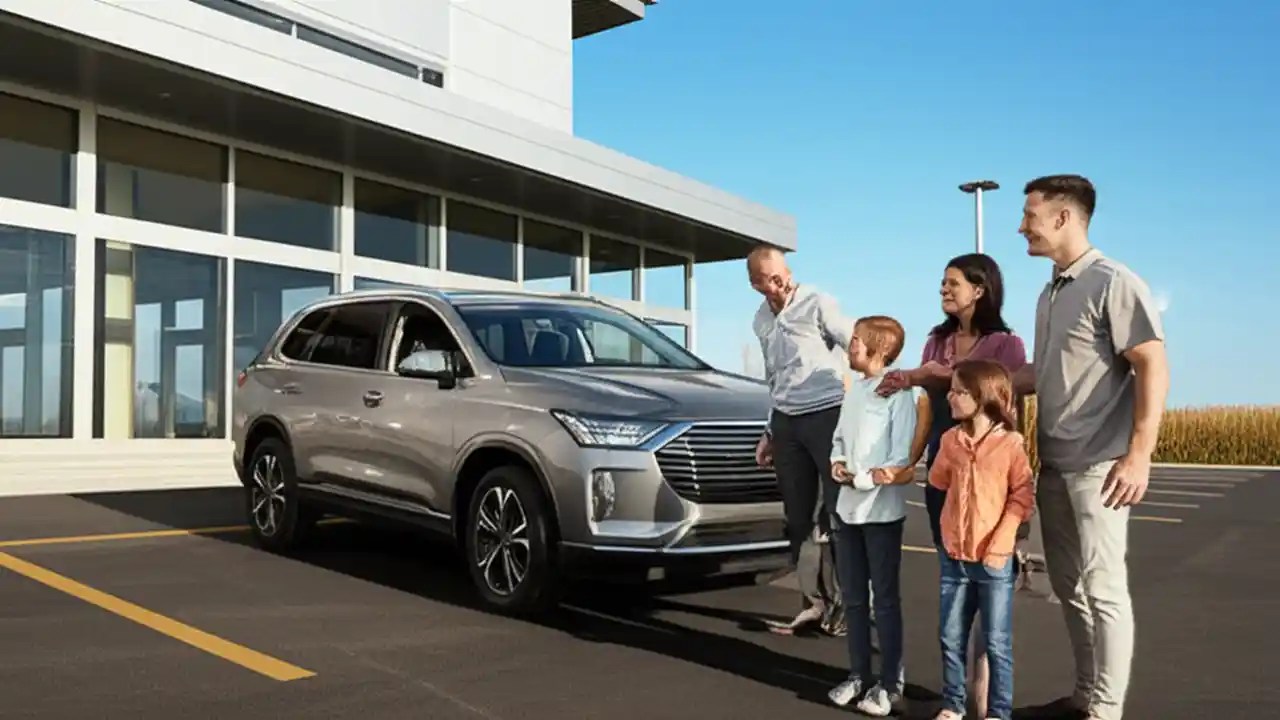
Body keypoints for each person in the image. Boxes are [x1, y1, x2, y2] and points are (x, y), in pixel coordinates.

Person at [1011, 175, 1168, 720]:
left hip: (1100, 467)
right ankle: (1084, 696)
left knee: (1105, 592)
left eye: (1029, 216)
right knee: (1068, 588)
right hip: (1054, 466)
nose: (1021, 227)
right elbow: (1041, 373)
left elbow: (1151, 361)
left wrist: (1139, 454)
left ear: (1063, 218)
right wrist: (964, 379)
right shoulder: (1050, 292)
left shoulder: (1112, 281)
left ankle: (1105, 711)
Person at [876, 252, 1028, 718]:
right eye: (942, 282)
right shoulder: (936, 339)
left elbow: (1007, 398)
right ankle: (957, 699)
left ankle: (987, 697)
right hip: (947, 462)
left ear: (979, 290)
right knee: (955, 588)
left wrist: (934, 375)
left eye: (953, 282)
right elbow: (926, 400)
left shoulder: (1006, 343)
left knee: (993, 600)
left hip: (990, 476)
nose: (944, 289)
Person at [826, 315, 930, 716]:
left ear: (879, 348)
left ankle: (890, 684)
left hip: (881, 513)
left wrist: (863, 479)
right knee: (853, 599)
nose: (849, 345)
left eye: (856, 339)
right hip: (847, 511)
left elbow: (901, 455)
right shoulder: (854, 391)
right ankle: (858, 675)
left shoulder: (898, 393)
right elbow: (839, 438)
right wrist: (837, 463)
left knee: (884, 602)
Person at [748, 245, 853, 635]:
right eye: (770, 279)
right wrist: (769, 431)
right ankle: (813, 604)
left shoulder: (817, 302)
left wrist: (866, 403)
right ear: (756, 284)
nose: (780, 283)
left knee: (839, 514)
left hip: (827, 414)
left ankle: (849, 606)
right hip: (787, 423)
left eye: (783, 274)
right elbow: (773, 377)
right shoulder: (761, 319)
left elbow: (856, 343)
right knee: (799, 519)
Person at [928, 359, 1035, 720]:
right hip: (954, 556)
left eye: (959, 392)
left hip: (994, 560)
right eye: (951, 391)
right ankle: (952, 705)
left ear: (983, 397)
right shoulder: (951, 440)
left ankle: (999, 712)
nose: (951, 397)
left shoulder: (1010, 445)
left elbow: (1023, 497)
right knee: (950, 636)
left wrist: (1002, 541)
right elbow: (938, 481)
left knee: (997, 642)